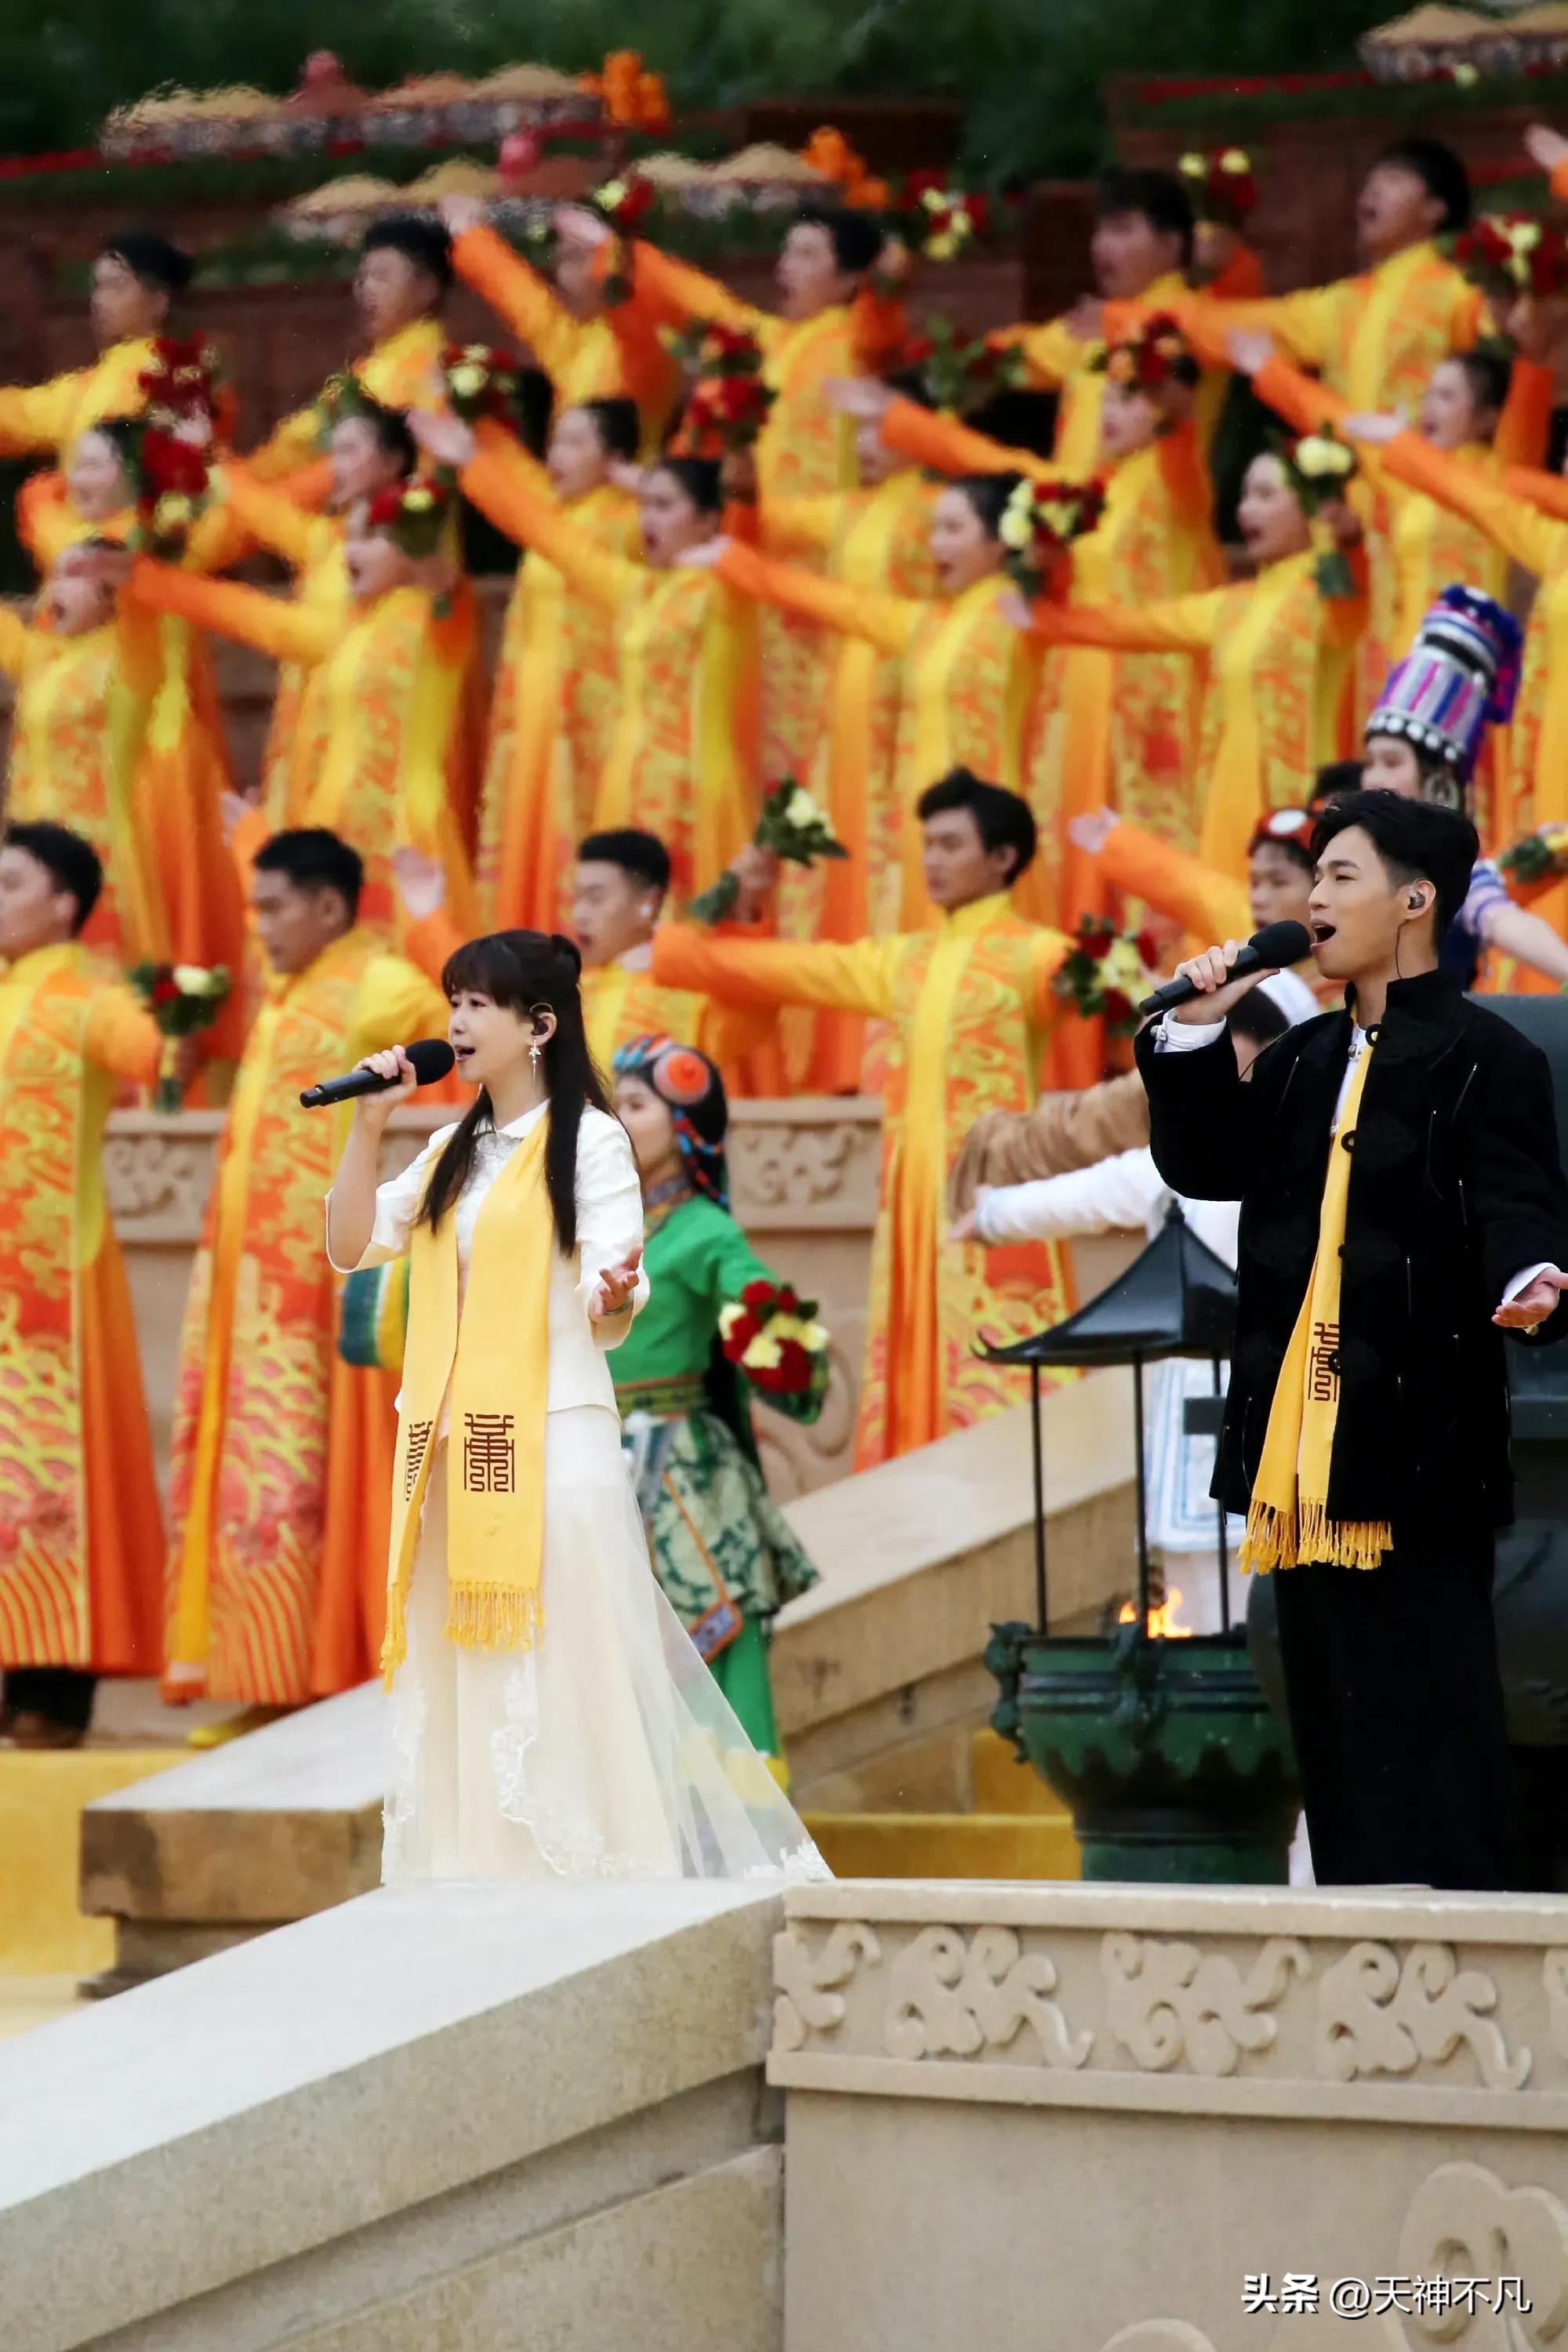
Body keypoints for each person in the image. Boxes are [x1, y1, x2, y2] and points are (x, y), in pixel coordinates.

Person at [325, 927, 827, 1885]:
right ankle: (481, 1877)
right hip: (456, 1445)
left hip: (554, 1438)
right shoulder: (449, 1149)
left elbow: (612, 1271)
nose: (456, 1021)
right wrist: (365, 1124)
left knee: (560, 1668)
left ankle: (588, 1882)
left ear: (539, 1026)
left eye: (478, 1004)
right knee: (466, 1673)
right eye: (453, 1001)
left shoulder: (589, 1139)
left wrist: (612, 1295)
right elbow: (353, 1244)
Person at [1137, 789, 1568, 1889]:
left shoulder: (1487, 1057)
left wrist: (1527, 1275)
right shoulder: (1297, 1058)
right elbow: (1206, 1164)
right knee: (1335, 1730)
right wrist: (1196, 1027)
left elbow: (1516, 1201)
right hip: (1297, 1458)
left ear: (1415, 901)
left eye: (1338, 875)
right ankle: (1357, 1928)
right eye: (1313, 875)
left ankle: (1460, 1937)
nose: (1311, 897)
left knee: (1432, 1716)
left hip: (1416, 1447)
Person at [652, 770, 1073, 1468]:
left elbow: (1132, 999)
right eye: (927, 844)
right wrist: (733, 902)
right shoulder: (900, 961)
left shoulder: (1041, 956)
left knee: (1001, 1377)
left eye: (951, 844)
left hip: (992, 1191)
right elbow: (770, 969)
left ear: (1002, 858)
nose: (932, 860)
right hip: (910, 1206)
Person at [161, 829, 452, 1709]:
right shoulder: (288, 993)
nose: (259, 926)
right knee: (256, 1466)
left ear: (329, 907)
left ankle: (330, 1678)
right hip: (250, 1287)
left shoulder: (376, 984)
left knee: (313, 1473)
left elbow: (466, 1037)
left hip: (320, 1284)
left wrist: (431, 919)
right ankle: (268, 1681)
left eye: (274, 907)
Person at [955, 983, 1306, 1624]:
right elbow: (1100, 1192)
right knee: (1205, 1607)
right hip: (1197, 1412)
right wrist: (992, 1214)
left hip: (1290, 1400)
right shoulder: (1185, 1159)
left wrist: (991, 1214)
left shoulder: (1313, 1153)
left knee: (1276, 1607)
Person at [602, 199, 902, 773]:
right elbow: (704, 300)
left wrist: (889, 276)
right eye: (787, 253)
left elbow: (884, 318)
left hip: (824, 562)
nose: (786, 265)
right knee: (755, 714)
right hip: (751, 549)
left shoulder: (855, 342)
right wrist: (624, 249)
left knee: (817, 722)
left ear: (849, 280)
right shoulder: (767, 340)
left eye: (807, 254)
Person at [421, 412, 759, 902]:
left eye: (665, 506)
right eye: (647, 507)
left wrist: (652, 487)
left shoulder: (726, 592)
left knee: (691, 929)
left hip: (695, 792)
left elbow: (753, 526)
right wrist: (473, 464)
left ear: (709, 521)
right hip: (627, 786)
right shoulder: (640, 592)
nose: (648, 520)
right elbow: (550, 537)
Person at [129, 479, 477, 938]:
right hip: (333, 822)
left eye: (370, 538)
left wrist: (426, 527)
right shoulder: (346, 630)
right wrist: (145, 580)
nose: (351, 550)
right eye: (350, 537)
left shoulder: (435, 623)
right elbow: (245, 613)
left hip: (403, 831)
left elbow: (447, 587)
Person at [701, 473, 1041, 929]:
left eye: (954, 529)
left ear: (1001, 541)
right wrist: (738, 562)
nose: (936, 544)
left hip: (985, 832)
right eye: (935, 530)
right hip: (928, 827)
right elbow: (841, 604)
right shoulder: (930, 625)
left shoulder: (1022, 616)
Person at [612, 1035, 822, 1766]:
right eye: (613, 1103)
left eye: (636, 1104)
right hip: (595, 1460)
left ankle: (746, 1816)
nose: (617, 1118)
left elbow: (762, 1309)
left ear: (685, 1127)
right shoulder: (595, 1225)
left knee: (719, 1642)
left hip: (684, 1474)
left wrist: (773, 1333)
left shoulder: (705, 1230)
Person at [0, 823, 165, 1748]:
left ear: (64, 902)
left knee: (51, 1475)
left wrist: (177, 1014)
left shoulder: (89, 999)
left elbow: (156, 1056)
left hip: (53, 1284)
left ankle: (54, 1689)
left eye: (10, 883)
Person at [1016, 446, 1366, 879]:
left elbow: (1356, 589)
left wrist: (1350, 540)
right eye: (1244, 496)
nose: (1245, 509)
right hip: (1227, 793)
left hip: (1299, 788)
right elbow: (1140, 626)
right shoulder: (1235, 604)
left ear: (1312, 508)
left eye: (1265, 495)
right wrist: (1045, 617)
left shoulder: (1326, 593)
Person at [1230, 323, 1552, 771]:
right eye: (1428, 394)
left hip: (1472, 669)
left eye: (1447, 396)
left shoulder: (1504, 480)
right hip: (1406, 663)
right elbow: (1341, 425)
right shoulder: (1405, 478)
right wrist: (1271, 372)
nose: (1429, 406)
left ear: (1487, 418)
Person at [463, 405, 641, 932]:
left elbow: (520, 508)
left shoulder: (626, 521)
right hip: (535, 714)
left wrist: (471, 458)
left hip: (585, 719)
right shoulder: (559, 509)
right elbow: (520, 483)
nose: (558, 455)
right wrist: (475, 428)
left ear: (614, 459)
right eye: (556, 442)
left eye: (576, 443)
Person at [1173, 138, 1486, 420]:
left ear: (1434, 210)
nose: (1372, 191)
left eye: (1394, 180)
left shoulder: (1459, 290)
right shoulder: (1344, 299)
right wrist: (1159, 309)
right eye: (1371, 182)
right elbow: (1233, 327)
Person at [1354, 585, 1568, 993]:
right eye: (1370, 763)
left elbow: (1498, 918)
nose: (1374, 778)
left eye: (1393, 762)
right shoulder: (1352, 858)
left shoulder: (1445, 870)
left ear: (1437, 780)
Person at [0, 540, 168, 964]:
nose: (55, 588)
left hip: (94, 854)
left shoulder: (127, 662)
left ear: (112, 594)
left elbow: (150, 617)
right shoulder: (43, 657)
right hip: (28, 846)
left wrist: (135, 575)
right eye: (54, 576)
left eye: (75, 577)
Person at [991, 169, 1202, 474]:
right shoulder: (1094, 322)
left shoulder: (1196, 319)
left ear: (1170, 244)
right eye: (1100, 231)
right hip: (1076, 498)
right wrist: (955, 359)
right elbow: (1016, 356)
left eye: (1121, 230)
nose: (1101, 245)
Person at [439, 194, 677, 446]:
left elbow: (652, 303)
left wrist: (607, 246)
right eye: (562, 260)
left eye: (577, 258)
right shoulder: (576, 337)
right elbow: (523, 299)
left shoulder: (652, 334)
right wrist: (471, 236)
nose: (564, 275)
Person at [246, 216, 456, 480]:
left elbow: (311, 444)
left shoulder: (419, 365)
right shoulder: (383, 361)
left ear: (427, 288)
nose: (367, 289)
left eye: (382, 276)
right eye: (363, 277)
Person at [0, 232, 194, 478]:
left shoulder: (180, 373)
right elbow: (26, 414)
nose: (99, 300)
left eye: (115, 286)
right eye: (98, 287)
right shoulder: (93, 382)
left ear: (158, 301)